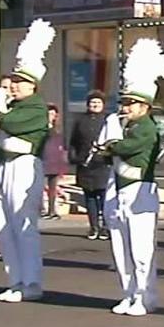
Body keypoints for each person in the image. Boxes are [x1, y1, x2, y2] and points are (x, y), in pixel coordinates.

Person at [95, 38, 164, 316]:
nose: (126, 107)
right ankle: (128, 293)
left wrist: (111, 145)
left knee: (141, 250)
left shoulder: (146, 128)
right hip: (120, 188)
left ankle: (145, 295)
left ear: (145, 106)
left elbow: (128, 148)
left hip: (140, 190)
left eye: (132, 103)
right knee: (121, 247)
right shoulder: (125, 126)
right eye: (125, 103)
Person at [0, 19, 54, 302]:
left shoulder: (36, 107)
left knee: (23, 227)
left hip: (22, 166)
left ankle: (32, 282)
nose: (13, 86)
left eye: (19, 82)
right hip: (1, 166)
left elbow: (6, 123)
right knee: (2, 227)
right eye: (13, 81)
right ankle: (15, 280)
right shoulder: (12, 104)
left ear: (33, 86)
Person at [68, 91, 111, 240]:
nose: (95, 105)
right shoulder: (80, 120)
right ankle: (93, 227)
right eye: (92, 103)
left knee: (104, 197)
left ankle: (106, 227)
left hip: (103, 164)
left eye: (98, 103)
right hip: (85, 163)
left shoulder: (108, 120)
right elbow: (73, 142)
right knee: (90, 197)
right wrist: (74, 157)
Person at [41, 103, 70, 220]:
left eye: (53, 114)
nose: (51, 116)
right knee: (39, 188)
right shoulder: (41, 128)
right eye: (49, 113)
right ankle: (42, 209)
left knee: (53, 188)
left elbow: (61, 147)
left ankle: (52, 210)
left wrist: (63, 164)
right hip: (42, 159)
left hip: (55, 162)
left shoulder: (57, 130)